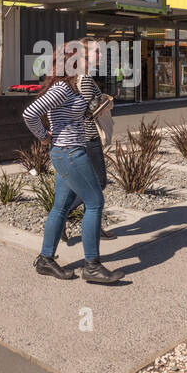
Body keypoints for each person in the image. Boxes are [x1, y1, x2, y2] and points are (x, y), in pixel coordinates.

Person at [21, 46, 122, 285]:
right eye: (83, 58)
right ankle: (92, 266)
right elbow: (30, 114)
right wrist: (44, 136)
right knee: (95, 202)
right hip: (69, 153)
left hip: (68, 151)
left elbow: (67, 117)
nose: (89, 61)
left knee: (61, 207)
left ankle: (46, 259)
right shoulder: (62, 89)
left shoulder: (73, 87)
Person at [67, 39, 116, 241]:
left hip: (84, 138)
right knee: (98, 183)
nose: (102, 56)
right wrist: (105, 101)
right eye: (98, 52)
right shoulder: (85, 79)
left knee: (90, 183)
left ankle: (93, 227)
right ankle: (62, 215)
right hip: (89, 138)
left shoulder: (82, 77)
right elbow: (88, 111)